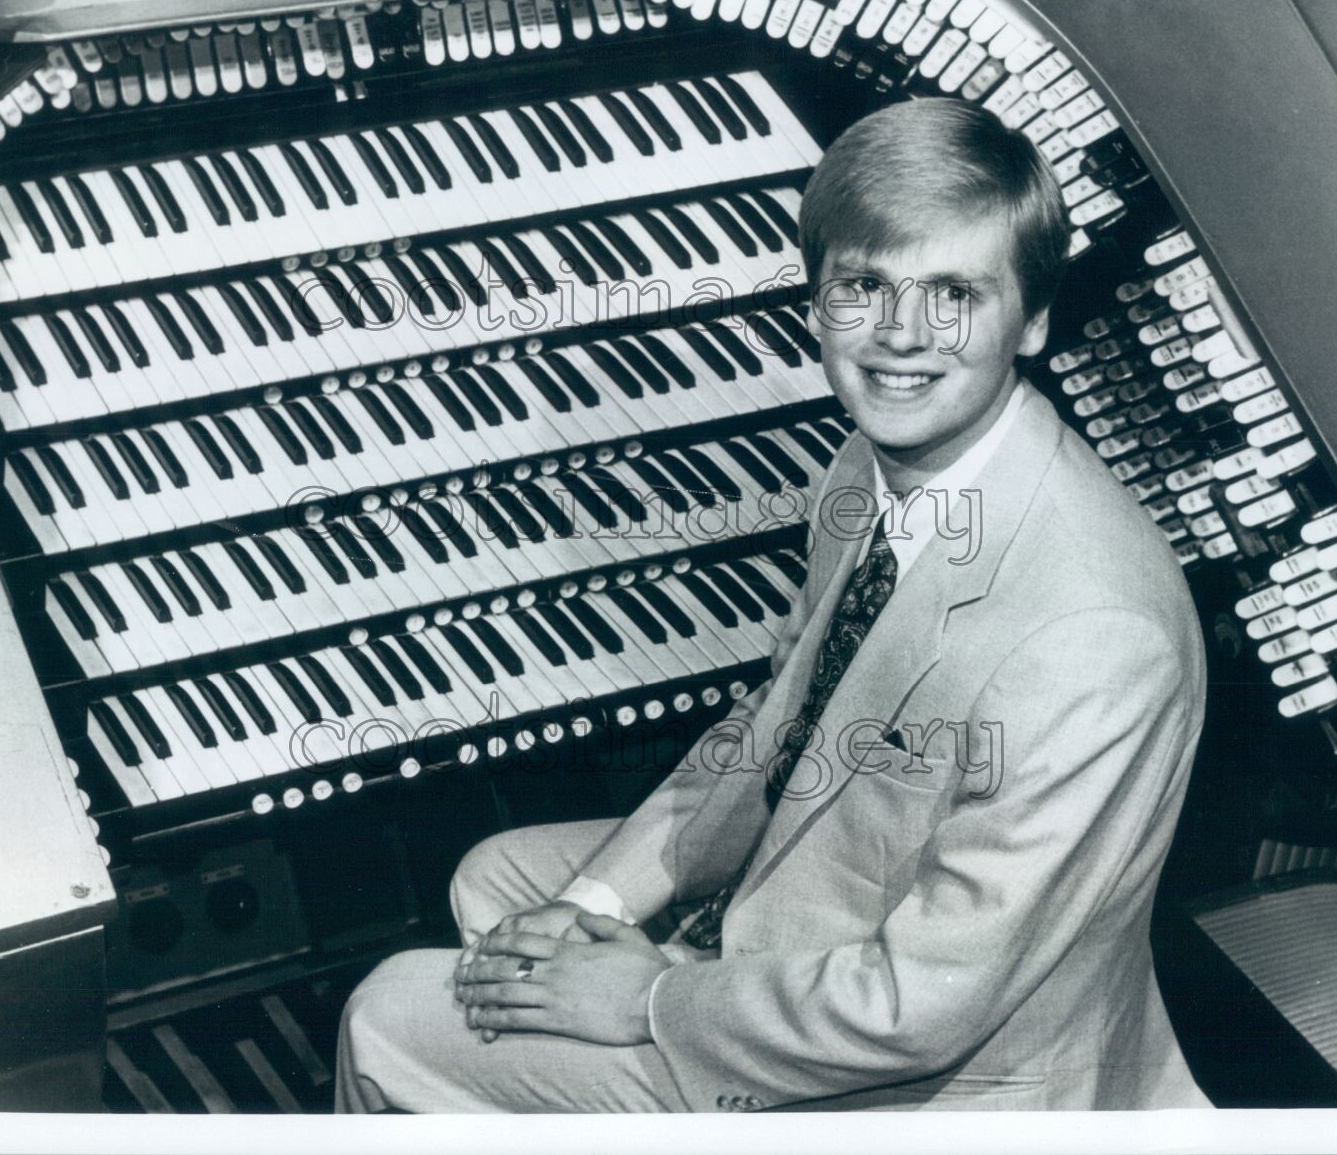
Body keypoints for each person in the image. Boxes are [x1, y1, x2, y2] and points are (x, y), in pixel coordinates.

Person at [335, 97, 1211, 1112]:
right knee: (505, 887)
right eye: (864, 287)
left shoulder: (1093, 634)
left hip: (947, 1078)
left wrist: (656, 995)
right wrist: (594, 907)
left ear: (1035, 319)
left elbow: (920, 1005)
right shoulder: (875, 468)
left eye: (954, 295)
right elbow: (779, 727)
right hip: (841, 906)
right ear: (814, 304)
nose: (898, 337)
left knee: (388, 1014)